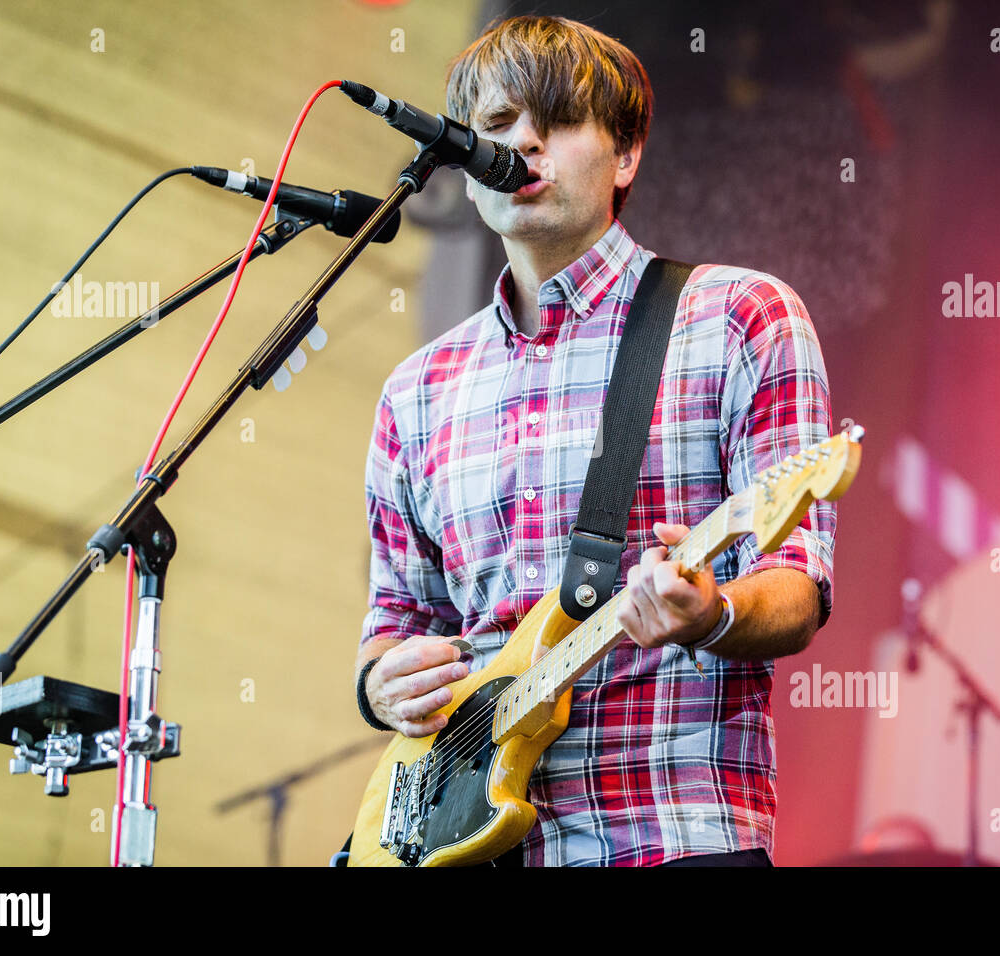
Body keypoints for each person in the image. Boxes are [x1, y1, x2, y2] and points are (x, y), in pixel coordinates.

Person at [353, 14, 836, 867]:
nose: (522, 145)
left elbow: (795, 586)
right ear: (466, 174)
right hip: (467, 843)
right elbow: (398, 619)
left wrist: (712, 611)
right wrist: (380, 684)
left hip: (669, 834)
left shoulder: (736, 318)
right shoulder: (415, 392)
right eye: (495, 129)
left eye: (558, 121)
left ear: (625, 155)